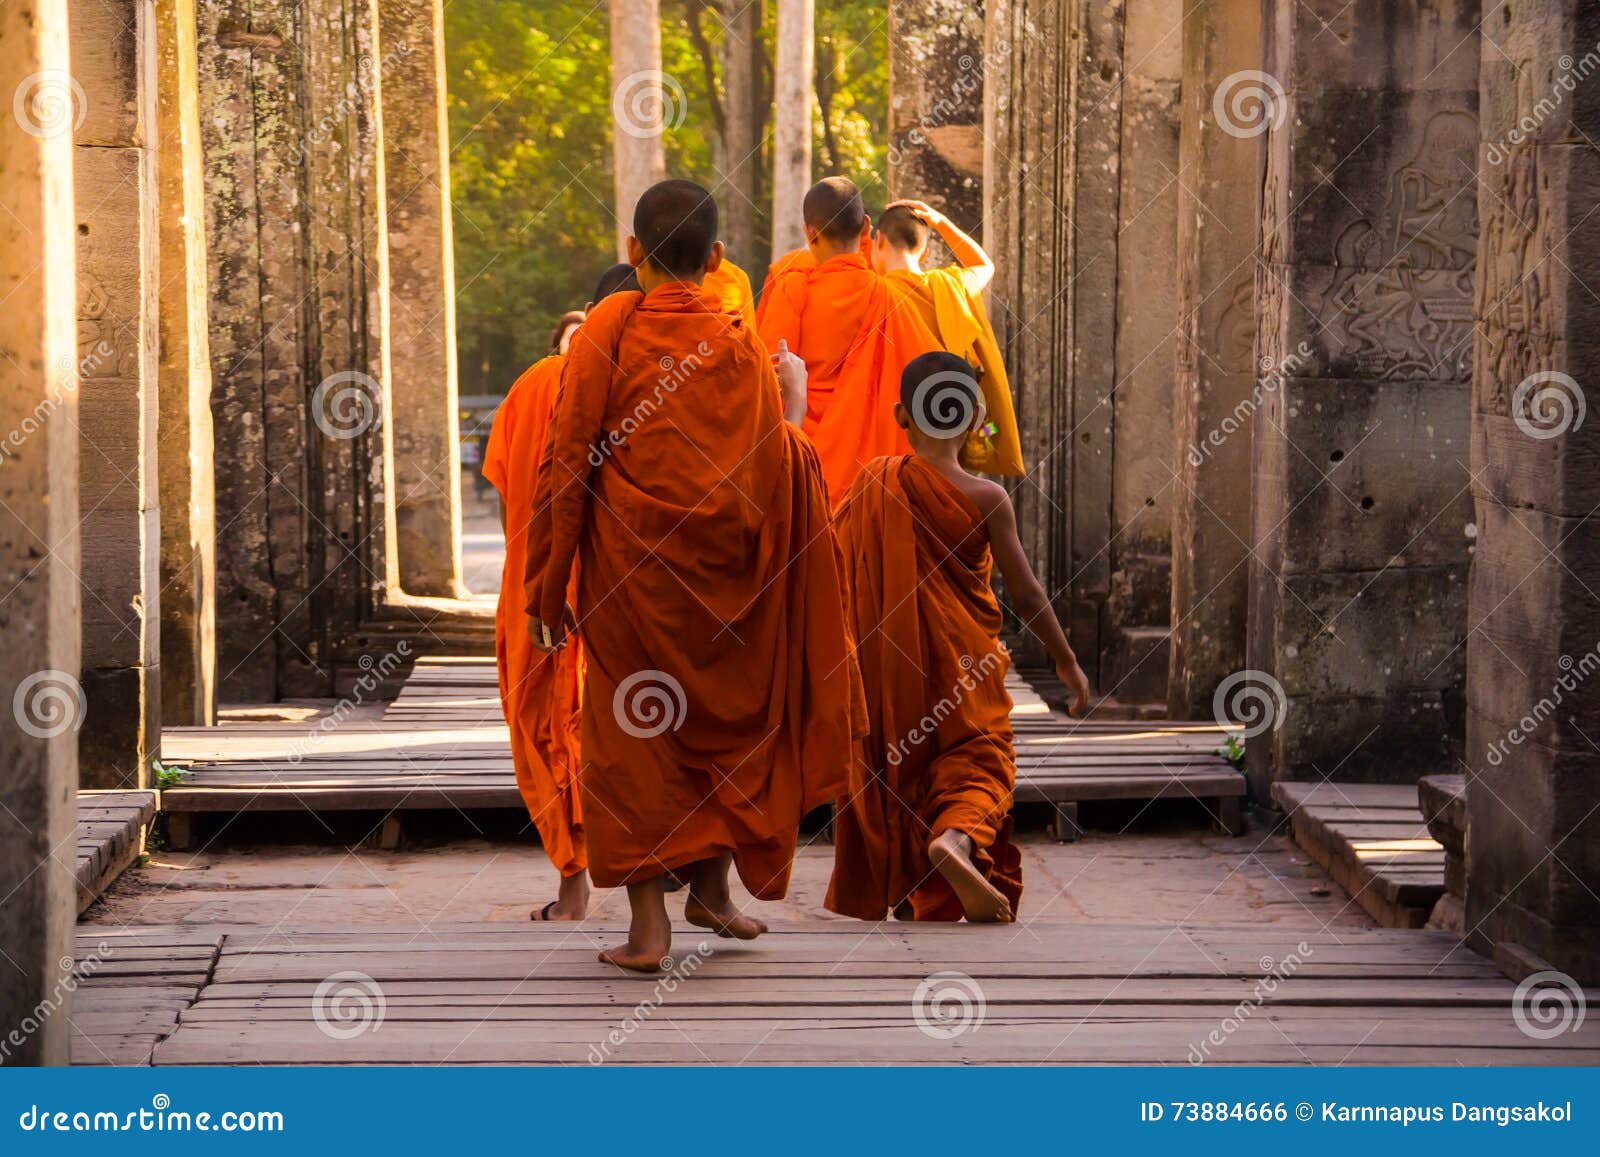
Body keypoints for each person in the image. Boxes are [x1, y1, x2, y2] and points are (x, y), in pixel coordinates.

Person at [524, 179, 863, 972]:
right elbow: (775, 462)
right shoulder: (742, 338)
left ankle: (663, 921)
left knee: (636, 734)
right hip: (725, 581)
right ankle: (707, 891)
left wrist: (549, 586)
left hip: (629, 577)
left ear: (634, 252)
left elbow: (567, 460)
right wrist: (794, 409)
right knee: (719, 725)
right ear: (716, 258)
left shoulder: (612, 323)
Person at [826, 351, 1092, 924]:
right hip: (965, 667)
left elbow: (831, 572)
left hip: (889, 676)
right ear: (973, 418)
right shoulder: (987, 498)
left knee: (909, 768)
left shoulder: (872, 483)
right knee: (981, 759)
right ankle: (956, 838)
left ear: (902, 414)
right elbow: (1026, 594)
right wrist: (1066, 662)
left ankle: (923, 865)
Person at [482, 269, 639, 921]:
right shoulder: (653, 383)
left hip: (540, 585)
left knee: (548, 725)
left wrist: (533, 572)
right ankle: (657, 891)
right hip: (623, 589)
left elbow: (504, 492)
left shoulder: (534, 383)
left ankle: (574, 880)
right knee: (630, 730)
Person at [756, 177, 939, 501]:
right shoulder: (887, 297)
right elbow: (935, 375)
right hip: (871, 482)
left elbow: (765, 387)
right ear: (866, 226)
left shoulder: (791, 289)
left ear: (809, 232)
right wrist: (987, 432)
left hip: (802, 471)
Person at [869, 200, 1024, 476]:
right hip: (952, 432)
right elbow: (984, 264)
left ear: (878, 240)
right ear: (926, 251)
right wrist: (940, 221)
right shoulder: (951, 286)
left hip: (894, 431)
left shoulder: (874, 293)